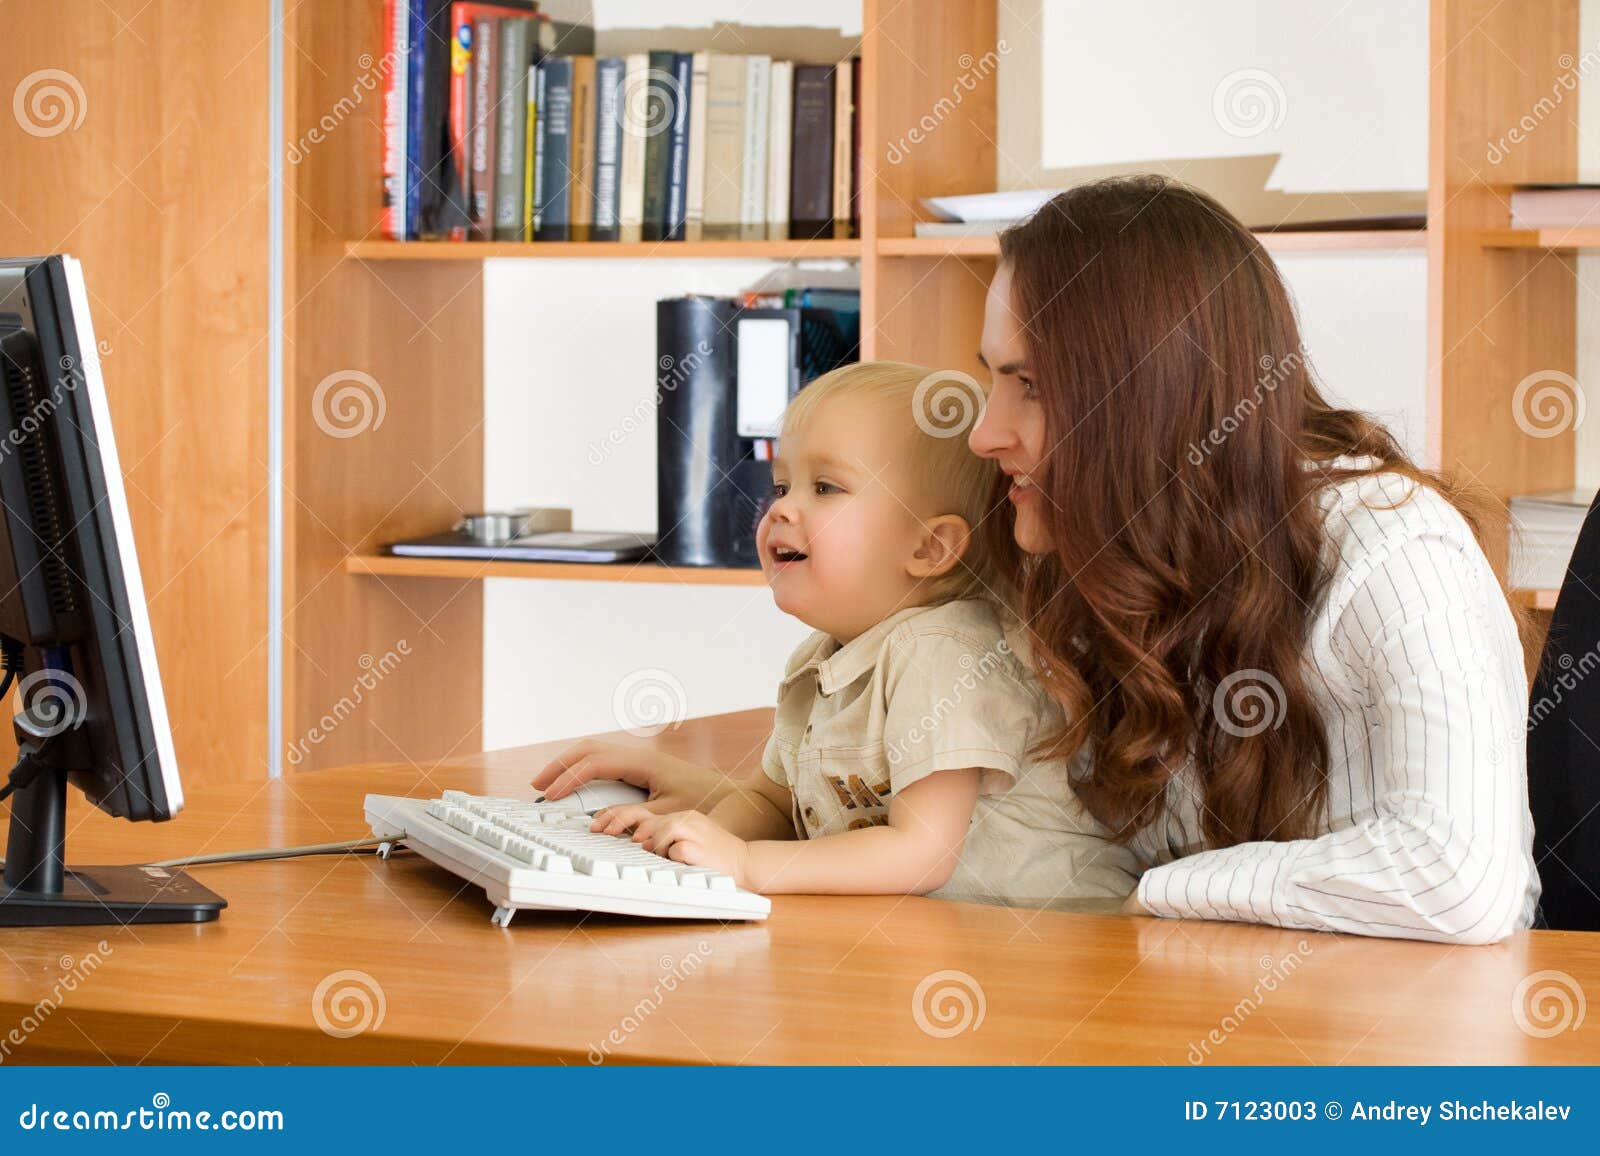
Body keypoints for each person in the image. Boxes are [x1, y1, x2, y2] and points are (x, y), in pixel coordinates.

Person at [536, 176, 1538, 944]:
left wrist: (1148, 898)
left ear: (1149, 400)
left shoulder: (1397, 553)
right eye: (989, 379)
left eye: (1031, 386)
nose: (983, 434)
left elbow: (1455, 878)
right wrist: (695, 794)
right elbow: (952, 809)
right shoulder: (1088, 547)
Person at [564, 361, 1136, 905]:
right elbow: (773, 805)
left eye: (826, 488)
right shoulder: (821, 659)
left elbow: (922, 852)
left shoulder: (943, 653)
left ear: (929, 547)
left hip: (1053, 946)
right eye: (783, 485)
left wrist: (745, 865)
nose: (780, 510)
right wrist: (675, 836)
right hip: (938, 935)